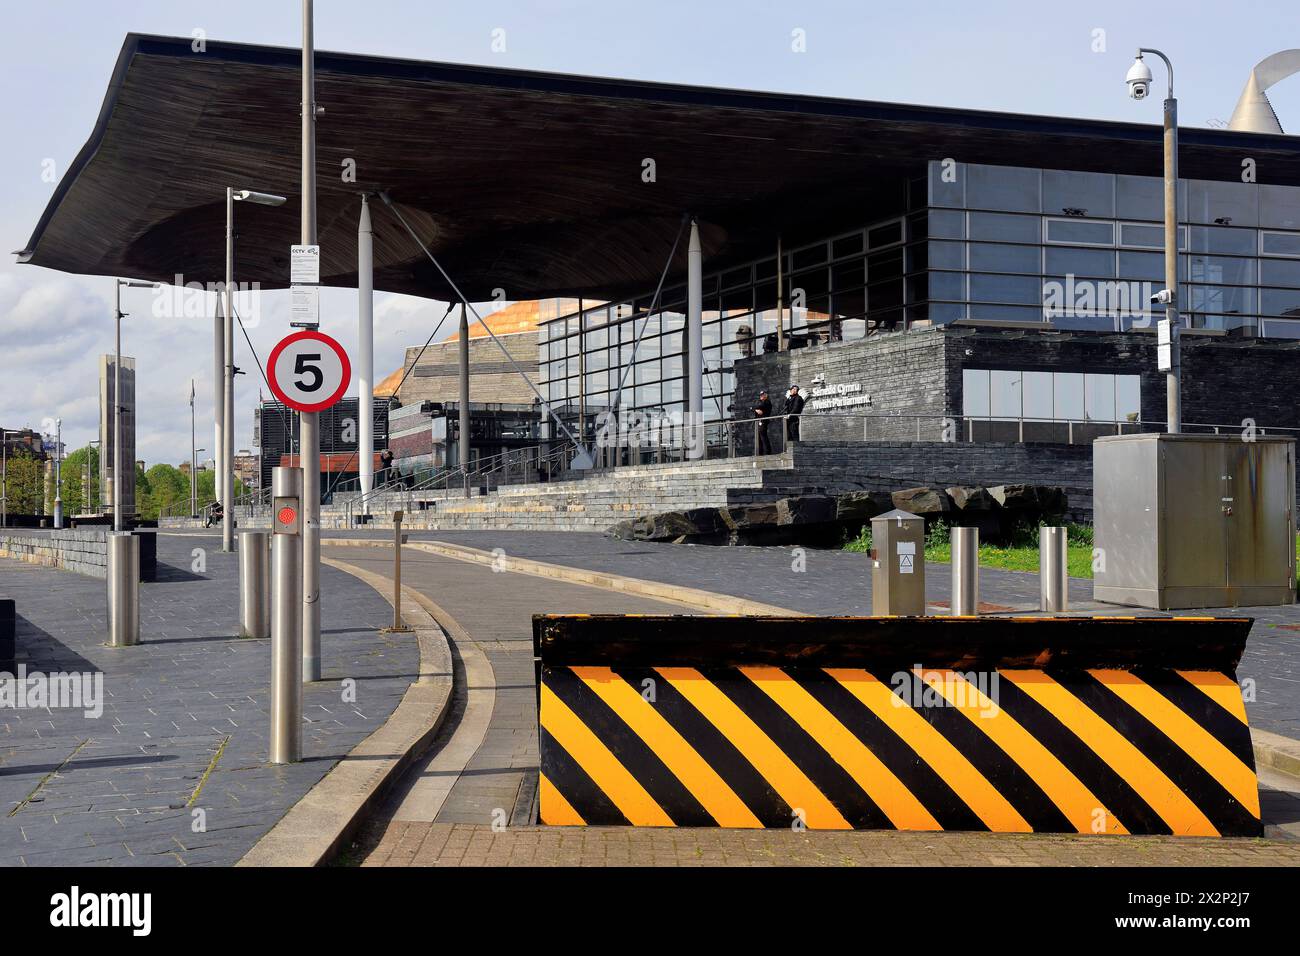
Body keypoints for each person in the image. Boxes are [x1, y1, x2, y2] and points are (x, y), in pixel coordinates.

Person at [753, 389, 773, 456]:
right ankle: (760, 452)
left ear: (766, 395)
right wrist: (756, 409)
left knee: (763, 436)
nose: (761, 396)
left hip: (763, 421)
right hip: (758, 421)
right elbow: (754, 407)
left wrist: (755, 408)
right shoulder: (760, 402)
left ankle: (768, 451)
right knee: (759, 437)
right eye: (760, 395)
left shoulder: (767, 402)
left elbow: (761, 406)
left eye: (763, 395)